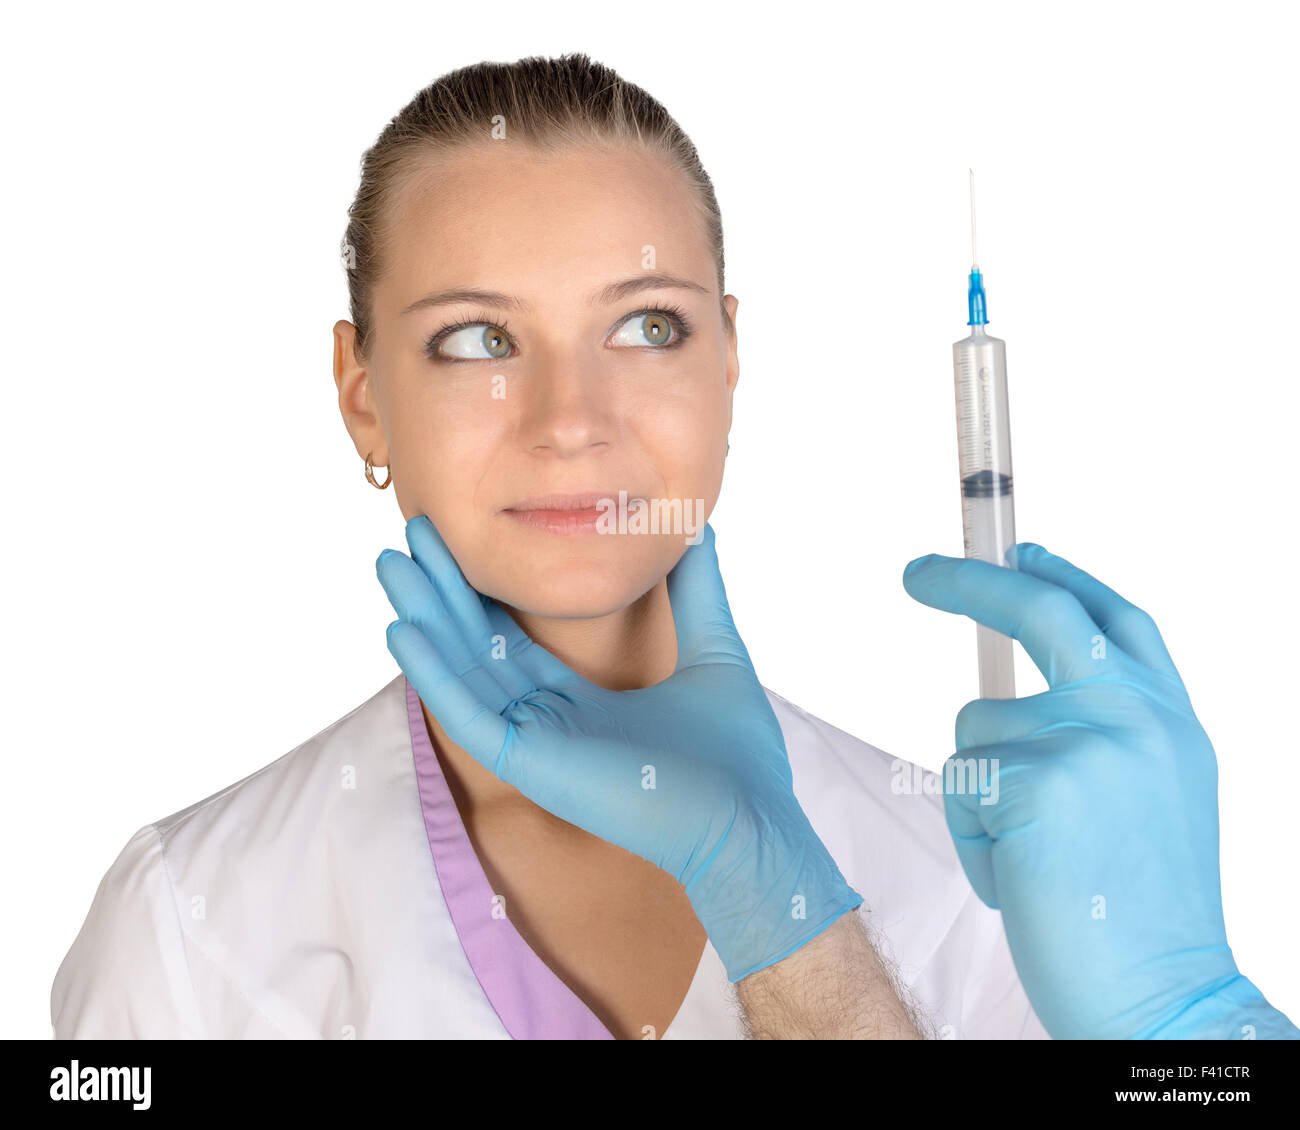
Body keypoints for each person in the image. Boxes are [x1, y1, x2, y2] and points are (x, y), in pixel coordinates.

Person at [50, 53, 1046, 1040]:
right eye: (478, 338)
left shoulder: (975, 886)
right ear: (363, 396)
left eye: (648, 325)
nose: (569, 419)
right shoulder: (188, 933)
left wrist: (773, 893)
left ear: (728, 360)